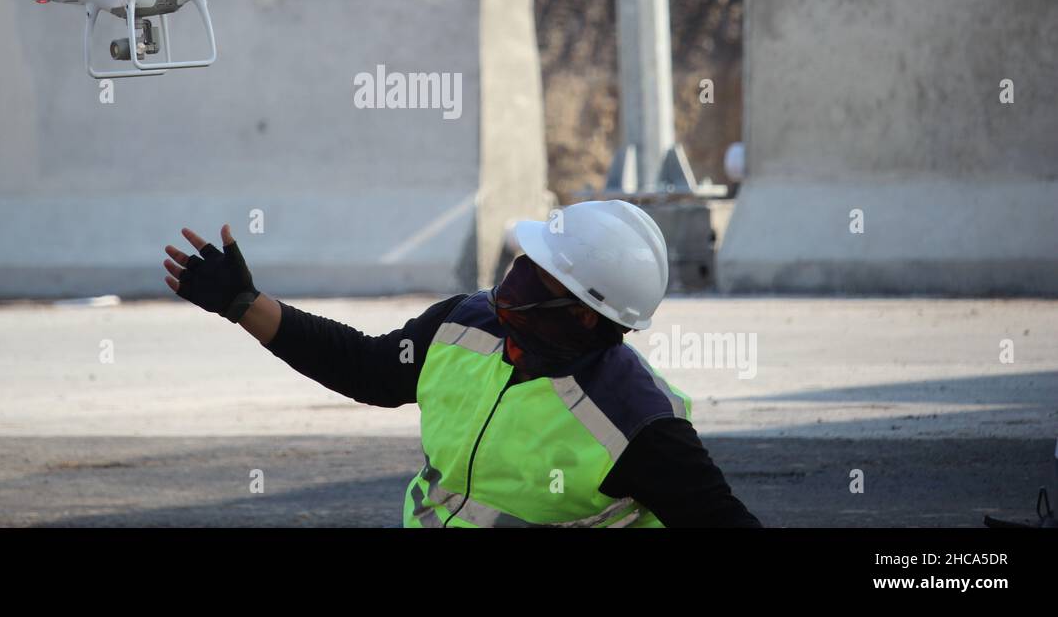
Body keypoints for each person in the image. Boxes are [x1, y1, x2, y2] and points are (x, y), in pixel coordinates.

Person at [162, 199, 761, 528]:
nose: (515, 277)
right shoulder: (464, 324)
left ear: (586, 315)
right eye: (526, 258)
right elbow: (370, 368)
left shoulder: (638, 424)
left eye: (540, 273)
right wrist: (248, 306)